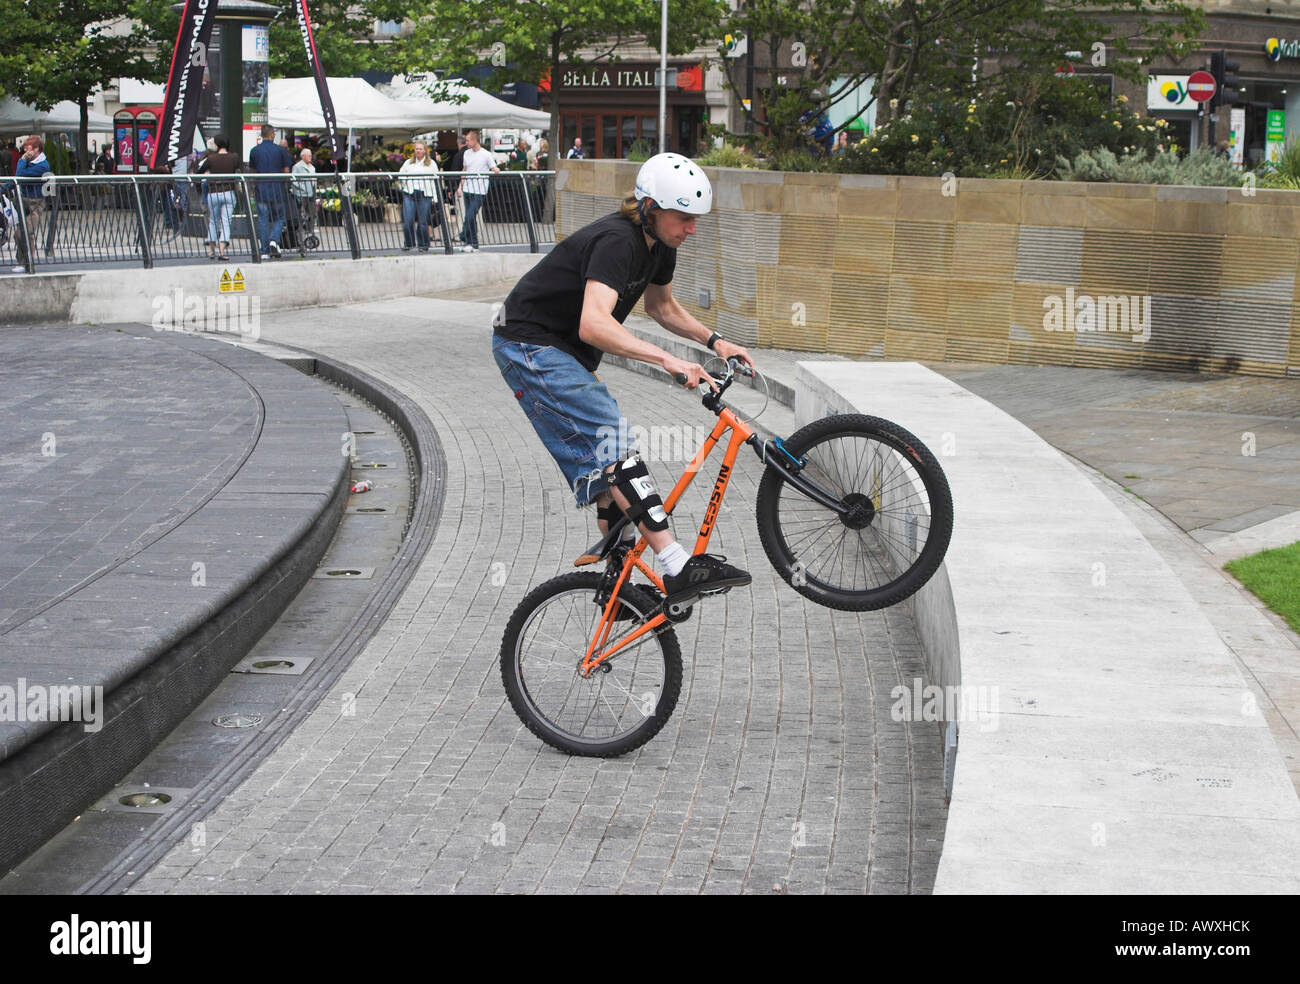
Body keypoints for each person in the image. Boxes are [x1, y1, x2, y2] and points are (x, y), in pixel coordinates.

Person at [492, 153, 755, 607]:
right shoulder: (618, 241)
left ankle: (616, 589)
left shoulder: (660, 247)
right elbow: (593, 324)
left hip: (562, 352)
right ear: (651, 207)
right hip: (529, 345)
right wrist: (668, 361)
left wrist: (716, 342)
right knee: (614, 445)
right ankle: (675, 565)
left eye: (696, 220)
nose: (692, 229)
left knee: (606, 468)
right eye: (684, 218)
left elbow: (662, 308)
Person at [4, 136, 52, 273]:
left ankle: (28, 263)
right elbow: (17, 180)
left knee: (26, 232)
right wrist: (4, 189)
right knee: (19, 233)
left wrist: (22, 159)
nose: (25, 149)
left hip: (35, 202)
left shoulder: (42, 165)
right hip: (23, 200)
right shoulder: (31, 162)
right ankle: (23, 261)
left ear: (36, 149)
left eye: (28, 147)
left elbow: (20, 175)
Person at [248, 123, 292, 258]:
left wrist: (252, 187)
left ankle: (264, 250)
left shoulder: (254, 151)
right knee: (279, 217)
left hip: (261, 189)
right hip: (277, 189)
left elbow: (253, 171)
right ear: (272, 134)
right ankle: (274, 239)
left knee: (263, 220)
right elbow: (286, 171)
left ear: (262, 135)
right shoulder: (281, 151)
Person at [197, 133, 240, 260]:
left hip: (213, 192)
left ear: (216, 144)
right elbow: (237, 171)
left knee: (213, 221)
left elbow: (198, 173)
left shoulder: (211, 158)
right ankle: (222, 251)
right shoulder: (234, 157)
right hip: (229, 192)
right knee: (226, 222)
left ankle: (211, 250)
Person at [457, 129, 497, 252]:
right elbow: (464, 170)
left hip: (480, 190)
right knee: (471, 216)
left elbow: (493, 167)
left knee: (470, 215)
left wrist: (496, 170)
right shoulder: (467, 153)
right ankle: (472, 242)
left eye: (468, 140)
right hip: (468, 188)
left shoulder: (486, 154)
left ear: (475, 140)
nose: (466, 142)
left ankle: (464, 236)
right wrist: (460, 186)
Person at [398, 140, 439, 252]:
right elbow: (401, 175)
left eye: (420, 148)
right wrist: (404, 185)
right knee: (408, 221)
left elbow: (435, 181)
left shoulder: (432, 164)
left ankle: (423, 244)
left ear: (425, 150)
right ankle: (409, 243)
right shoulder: (408, 163)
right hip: (410, 193)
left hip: (424, 195)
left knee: (423, 222)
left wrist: (435, 197)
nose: (418, 151)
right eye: (417, 148)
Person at [289, 147, 317, 253]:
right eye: (308, 155)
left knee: (312, 214)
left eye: (310, 155)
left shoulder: (312, 167)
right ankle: (301, 240)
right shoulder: (297, 167)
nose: (310, 156)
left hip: (311, 194)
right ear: (302, 156)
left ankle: (310, 234)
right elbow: (293, 180)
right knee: (302, 217)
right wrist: (302, 188)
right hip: (302, 194)